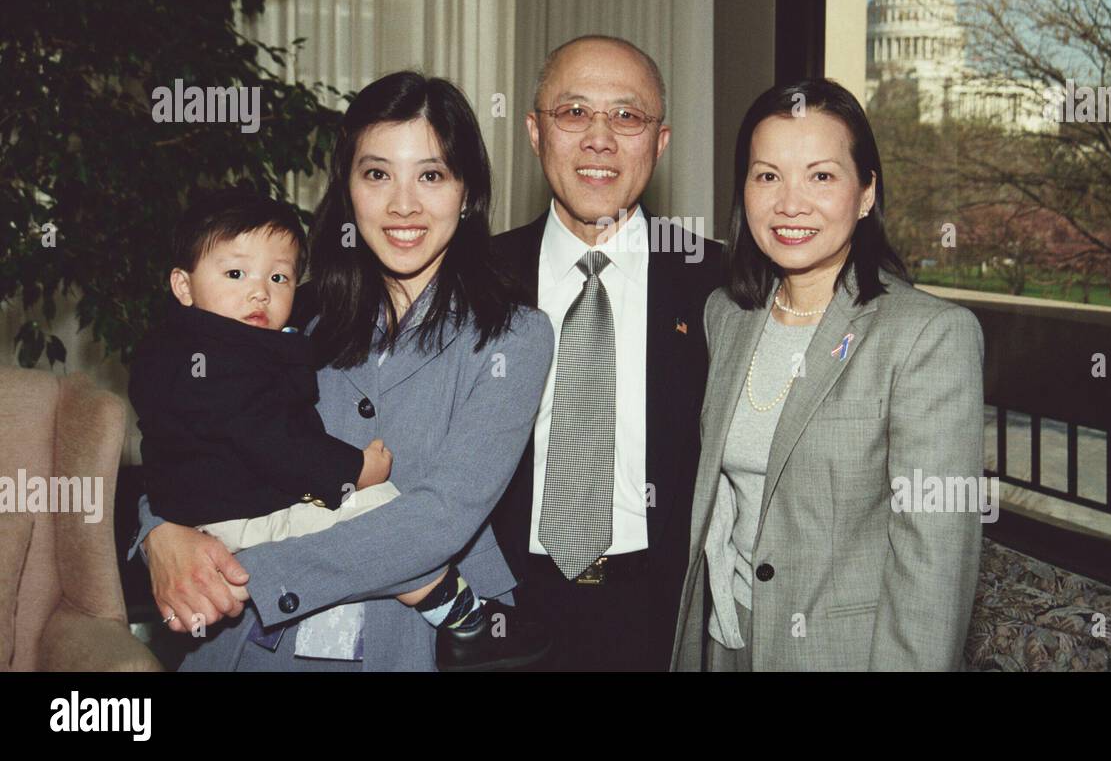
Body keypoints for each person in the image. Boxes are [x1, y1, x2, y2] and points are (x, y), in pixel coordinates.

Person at [128, 72, 555, 671]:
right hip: (250, 651)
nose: (403, 204)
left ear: (467, 192)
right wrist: (159, 535)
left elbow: (442, 517)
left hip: (413, 647)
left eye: (430, 175)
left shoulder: (513, 336)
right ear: (348, 189)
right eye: (377, 174)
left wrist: (244, 571)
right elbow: (189, 432)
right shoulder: (280, 312)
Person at [671, 79, 985, 671]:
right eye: (768, 175)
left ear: (866, 192)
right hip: (725, 636)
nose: (791, 203)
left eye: (821, 176)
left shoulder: (927, 337)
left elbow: (934, 562)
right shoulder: (726, 316)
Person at [129, 187, 475, 637]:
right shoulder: (218, 357)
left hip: (226, 512)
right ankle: (442, 597)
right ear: (182, 285)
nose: (259, 292)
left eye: (279, 279)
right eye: (236, 273)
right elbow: (275, 441)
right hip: (241, 517)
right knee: (378, 509)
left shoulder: (184, 346)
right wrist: (355, 468)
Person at [488, 34, 724, 671]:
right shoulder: (474, 279)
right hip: (499, 609)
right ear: (536, 134)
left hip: (660, 615)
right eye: (573, 113)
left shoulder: (719, 285)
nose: (600, 138)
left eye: (627, 116)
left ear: (660, 141)